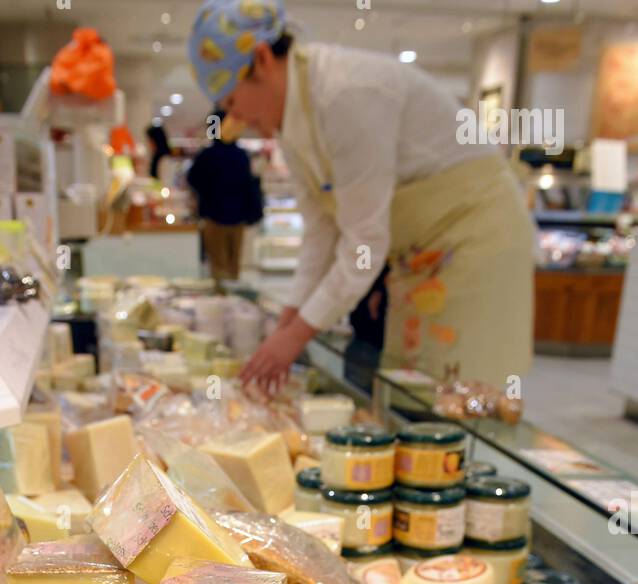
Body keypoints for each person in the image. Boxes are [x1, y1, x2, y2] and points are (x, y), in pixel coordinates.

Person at [189, 1, 534, 395]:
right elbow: (320, 232)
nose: (235, 120)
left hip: (475, 238)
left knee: (459, 392)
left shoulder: (344, 93)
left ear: (263, 59)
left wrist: (296, 335)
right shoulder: (291, 119)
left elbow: (364, 243)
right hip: (418, 252)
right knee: (412, 383)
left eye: (232, 102)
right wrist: (288, 320)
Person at [187, 112, 263, 282]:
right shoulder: (241, 155)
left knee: (218, 265)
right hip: (239, 217)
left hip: (214, 216)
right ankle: (233, 299)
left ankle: (221, 300)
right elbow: (248, 184)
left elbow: (193, 180)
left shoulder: (207, 155)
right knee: (234, 263)